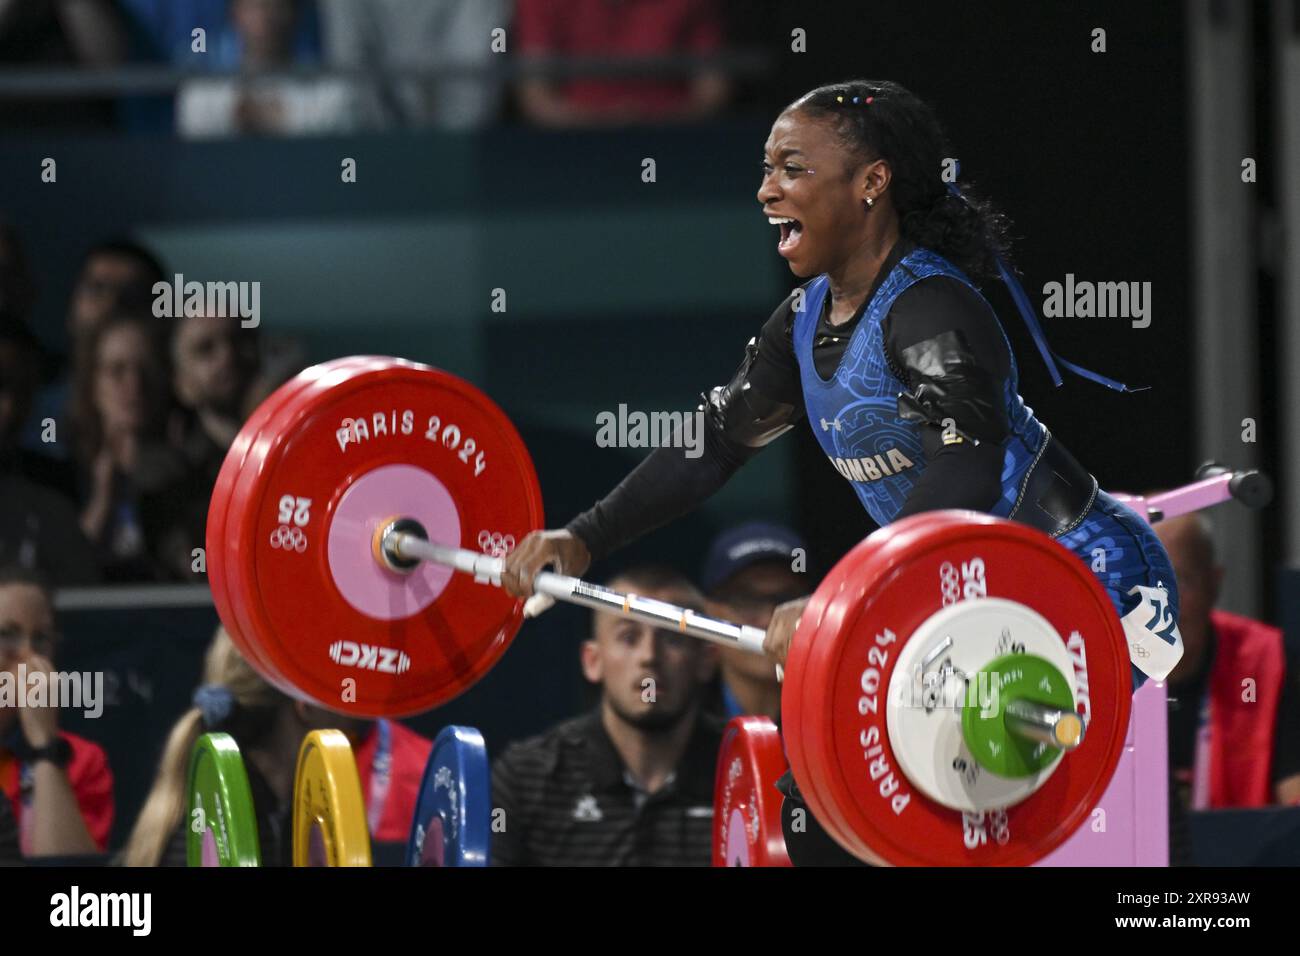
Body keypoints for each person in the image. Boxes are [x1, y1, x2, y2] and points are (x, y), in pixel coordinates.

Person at [501, 79, 1184, 865]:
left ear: (871, 183)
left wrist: (835, 600)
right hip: (964, 593)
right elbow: (712, 448)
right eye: (765, 169)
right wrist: (584, 538)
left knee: (938, 818)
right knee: (824, 814)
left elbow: (963, 481)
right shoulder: (802, 322)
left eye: (791, 168)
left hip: (1090, 586)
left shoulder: (930, 309)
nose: (766, 190)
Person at [123, 626, 431, 866]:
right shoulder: (226, 828)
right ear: (305, 706)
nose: (356, 696)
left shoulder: (279, 812)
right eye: (342, 682)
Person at [491, 566, 722, 866]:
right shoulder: (526, 777)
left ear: (706, 660)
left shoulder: (747, 774)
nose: (649, 656)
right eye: (629, 636)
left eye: (673, 638)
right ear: (592, 661)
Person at [1154, 513, 1300, 810]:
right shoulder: (1094, 670)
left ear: (1214, 584)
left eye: (1179, 581)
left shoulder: (1270, 662)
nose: (1161, 606)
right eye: (1145, 583)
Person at [0, 565, 114, 858]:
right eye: (7, 635)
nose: (28, 654)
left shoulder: (82, 761)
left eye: (40, 639)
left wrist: (44, 747)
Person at [145, 312, 260, 579]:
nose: (227, 357)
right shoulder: (169, 474)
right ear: (180, 381)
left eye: (238, 340)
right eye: (205, 349)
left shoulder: (296, 455)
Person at [69, 312, 178, 581]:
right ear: (92, 384)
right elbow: (63, 571)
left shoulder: (190, 473)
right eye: (117, 370)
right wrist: (102, 503)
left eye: (146, 370)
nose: (134, 384)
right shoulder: (61, 474)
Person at [514, 0, 730, 127]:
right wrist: (607, 123)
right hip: (573, 151)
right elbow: (537, 99)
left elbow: (712, 92)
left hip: (677, 148)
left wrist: (651, 122)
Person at [176, 0, 353, 139]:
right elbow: (194, 117)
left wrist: (280, 117)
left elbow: (337, 115)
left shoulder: (327, 88)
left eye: (277, 6)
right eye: (255, 6)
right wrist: (236, 112)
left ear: (295, 13)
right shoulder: (205, 86)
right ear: (235, 13)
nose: (266, 17)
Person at [701, 521, 808, 720]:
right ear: (709, 612)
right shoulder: (678, 724)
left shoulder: (842, 714)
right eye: (746, 600)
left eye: (788, 601)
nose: (769, 619)